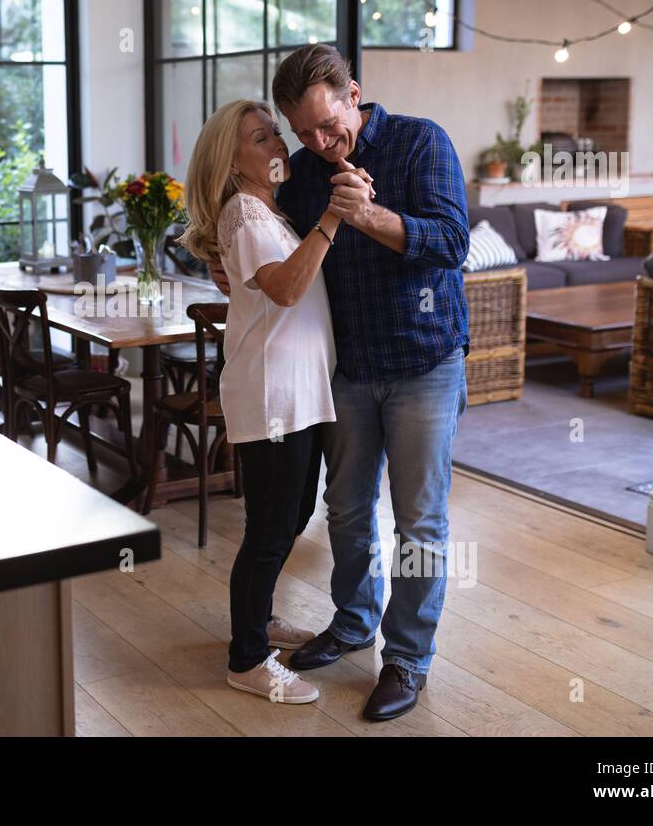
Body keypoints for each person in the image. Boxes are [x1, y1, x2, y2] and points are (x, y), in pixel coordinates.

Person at [209, 44, 469, 721]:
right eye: (303, 133)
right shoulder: (302, 174)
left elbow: (450, 242)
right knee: (347, 512)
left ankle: (406, 658)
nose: (321, 143)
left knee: (420, 522)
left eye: (330, 125)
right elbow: (260, 229)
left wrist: (370, 216)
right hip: (346, 372)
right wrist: (222, 264)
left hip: (424, 366)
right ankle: (353, 622)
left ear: (354, 93)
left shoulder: (421, 144)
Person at [177, 98, 342, 705]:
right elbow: (287, 290)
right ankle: (247, 659)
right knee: (271, 528)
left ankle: (260, 620)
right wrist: (330, 221)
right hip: (272, 394)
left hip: (297, 394)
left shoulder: (269, 213)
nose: (277, 145)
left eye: (276, 135)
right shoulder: (246, 213)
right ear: (233, 160)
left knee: (291, 517)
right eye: (260, 139)